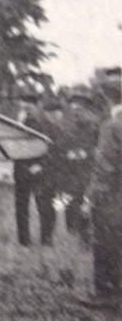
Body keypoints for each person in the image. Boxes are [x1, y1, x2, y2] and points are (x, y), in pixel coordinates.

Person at [81, 68, 122, 310]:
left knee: (107, 241)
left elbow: (105, 166)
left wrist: (91, 197)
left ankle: (107, 293)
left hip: (113, 196)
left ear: (106, 98)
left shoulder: (112, 126)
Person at [13, 91, 59, 247]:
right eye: (23, 102)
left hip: (41, 171)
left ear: (37, 105)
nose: (27, 107)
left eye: (30, 104)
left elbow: (53, 147)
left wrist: (41, 165)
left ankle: (47, 240)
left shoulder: (46, 124)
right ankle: (24, 241)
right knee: (21, 207)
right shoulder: (15, 124)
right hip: (21, 169)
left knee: (45, 206)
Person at [58, 87, 100, 240]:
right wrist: (67, 154)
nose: (76, 113)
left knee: (86, 202)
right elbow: (61, 146)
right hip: (71, 171)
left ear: (86, 108)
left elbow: (99, 148)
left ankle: (86, 235)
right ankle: (74, 232)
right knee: (71, 201)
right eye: (74, 109)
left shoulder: (94, 126)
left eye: (80, 109)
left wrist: (86, 153)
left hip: (87, 170)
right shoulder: (68, 127)